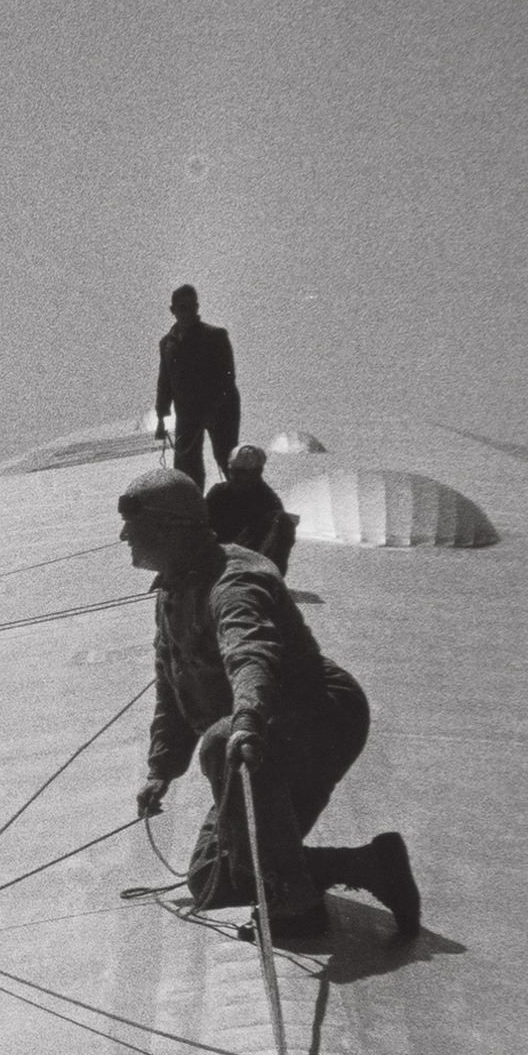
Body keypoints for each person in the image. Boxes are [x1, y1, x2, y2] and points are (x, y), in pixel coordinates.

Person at [118, 468, 420, 942]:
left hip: (316, 718)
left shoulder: (234, 583)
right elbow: (172, 683)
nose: (124, 539)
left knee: (220, 743)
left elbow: (249, 651)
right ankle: (369, 865)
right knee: (210, 881)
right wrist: (161, 769)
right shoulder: (174, 589)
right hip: (262, 729)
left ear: (167, 529)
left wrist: (247, 719)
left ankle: (296, 911)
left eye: (133, 530)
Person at [152, 284, 242, 490]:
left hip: (221, 409)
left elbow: (228, 376)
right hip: (187, 412)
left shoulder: (216, 336)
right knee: (185, 466)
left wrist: (214, 409)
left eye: (192, 307)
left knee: (228, 459)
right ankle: (193, 512)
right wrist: (161, 417)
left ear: (197, 307)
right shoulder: (167, 343)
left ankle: (244, 503)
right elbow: (165, 381)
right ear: (173, 310)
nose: (188, 312)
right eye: (182, 308)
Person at [204, 443, 298, 572]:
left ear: (257, 472)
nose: (236, 477)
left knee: (282, 521)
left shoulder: (269, 501)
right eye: (233, 471)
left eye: (242, 473)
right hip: (220, 555)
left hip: (251, 558)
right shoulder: (219, 492)